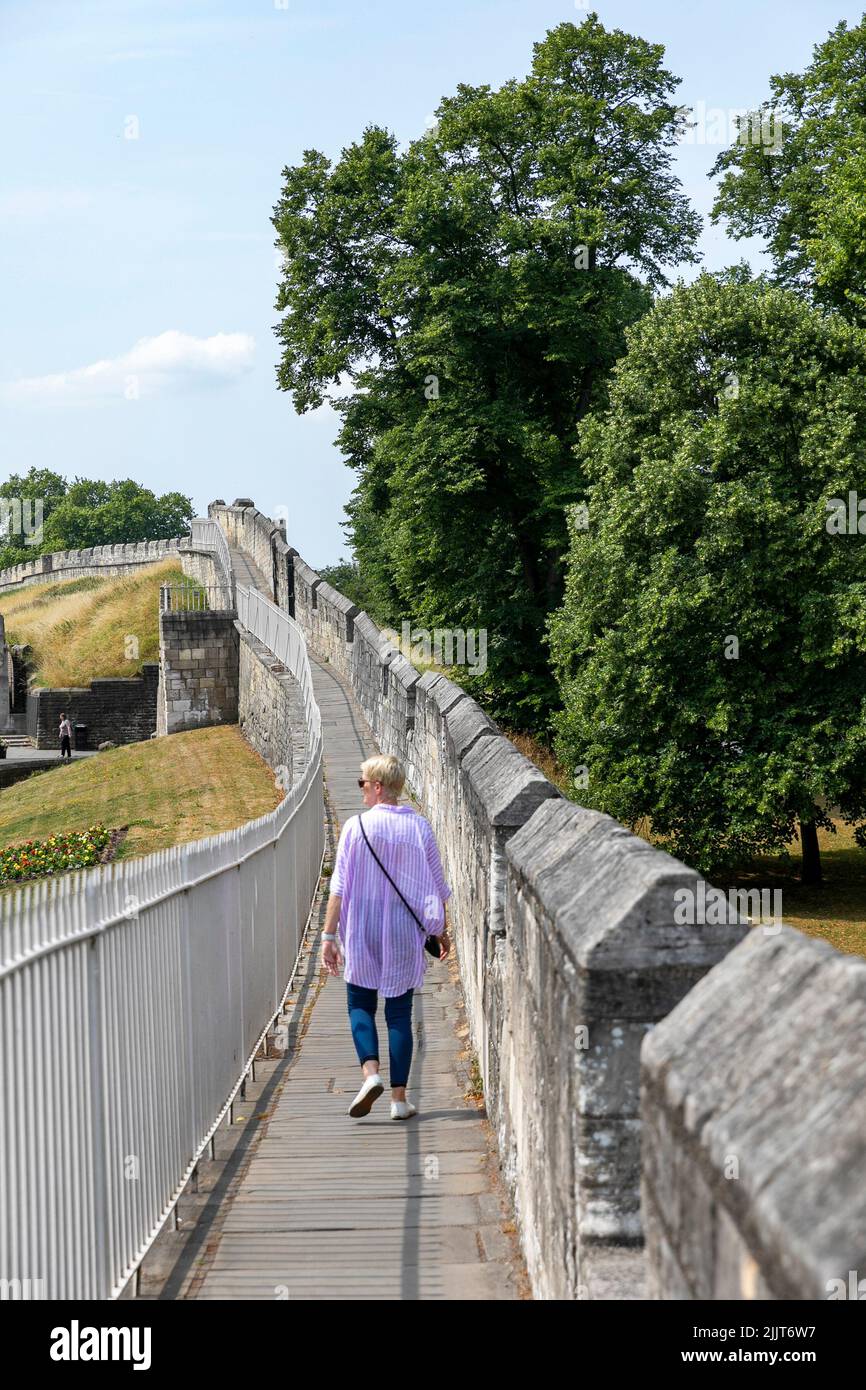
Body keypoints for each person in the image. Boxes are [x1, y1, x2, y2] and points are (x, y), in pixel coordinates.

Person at [321, 754, 452, 1121]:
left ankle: (371, 1075)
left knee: (360, 1004)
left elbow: (340, 888)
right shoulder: (420, 828)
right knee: (399, 1013)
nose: (360, 789)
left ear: (378, 787)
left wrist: (328, 935)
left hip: (362, 927)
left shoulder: (355, 827)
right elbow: (436, 887)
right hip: (401, 931)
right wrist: (440, 930)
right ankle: (398, 1100)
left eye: (363, 783)